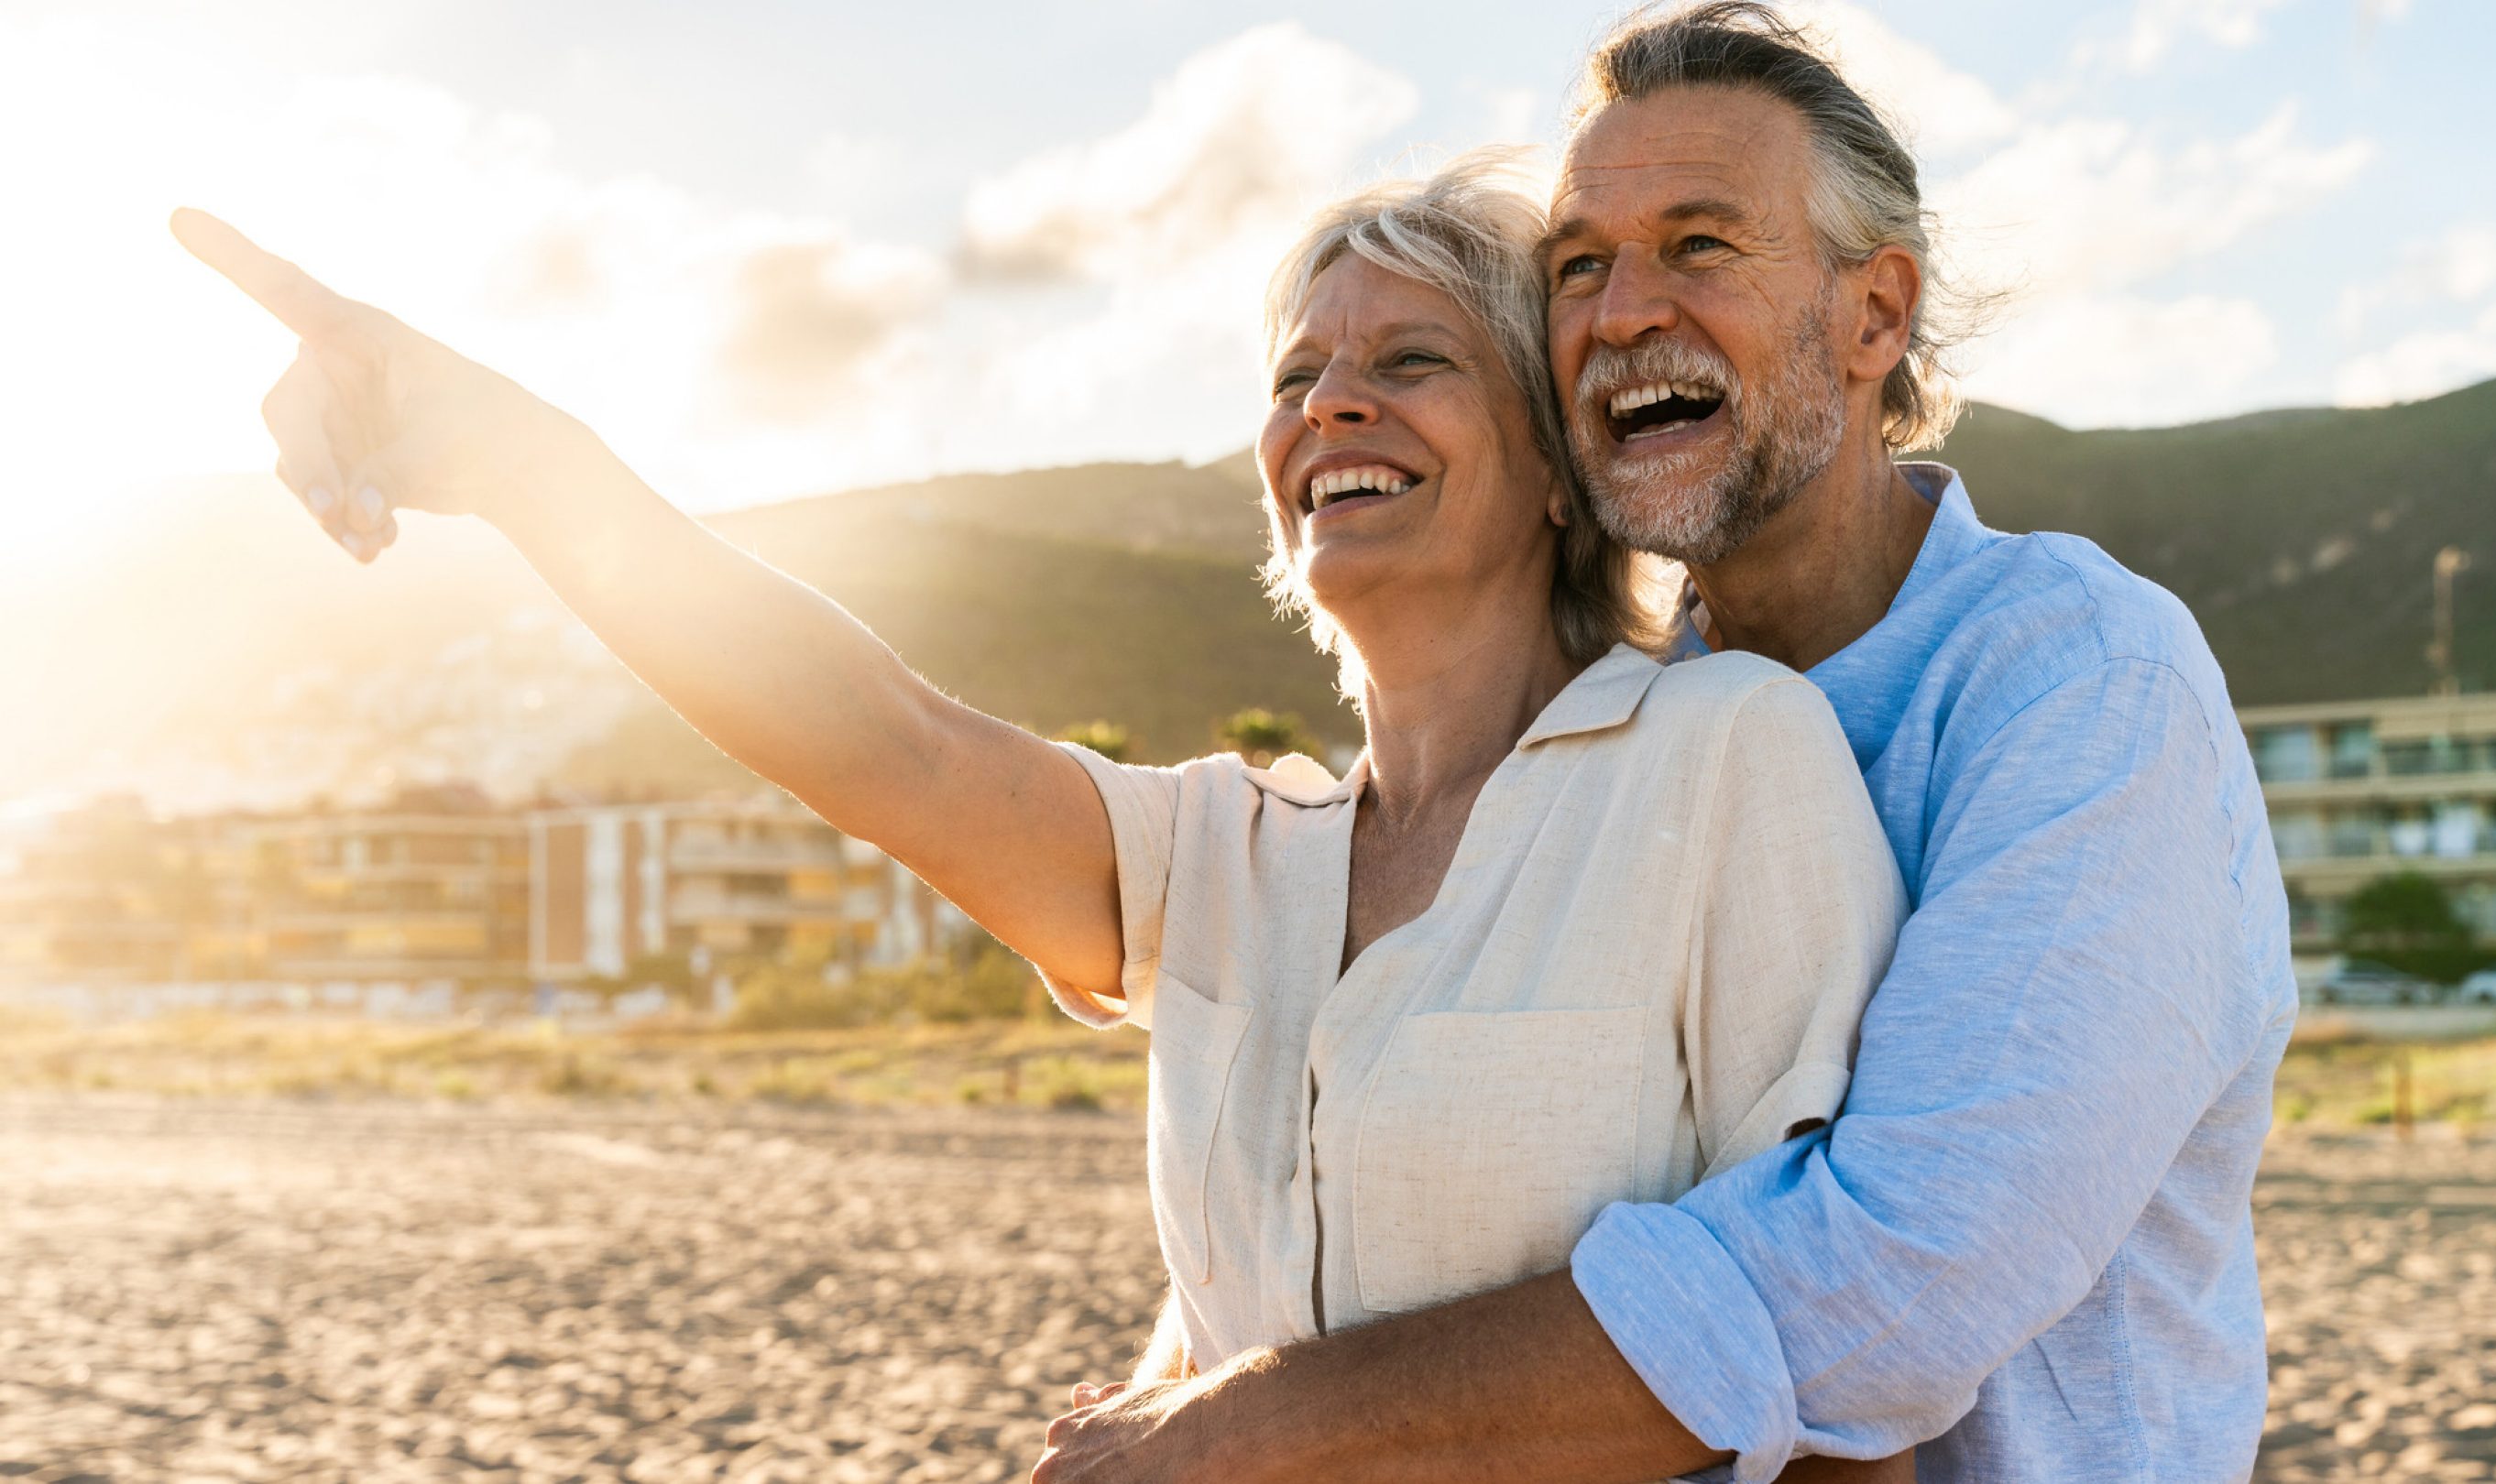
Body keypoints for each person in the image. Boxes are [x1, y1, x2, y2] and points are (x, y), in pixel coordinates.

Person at [175, 147, 1910, 1481]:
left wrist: (1235, 1425)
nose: (1332, 405)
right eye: (1299, 375)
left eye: (1411, 360)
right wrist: (507, 456)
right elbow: (883, 740)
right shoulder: (1227, 855)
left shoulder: (1725, 760)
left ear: (1553, 462)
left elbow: (1850, 1373)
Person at [1031, 6, 2298, 1483]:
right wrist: (1199, 1376)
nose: (1623, 310)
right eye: (1580, 265)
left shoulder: (2079, 681)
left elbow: (1891, 1277)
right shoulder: (1619, 727)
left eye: (1700, 245)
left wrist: (1264, 1420)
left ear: (1874, 316)